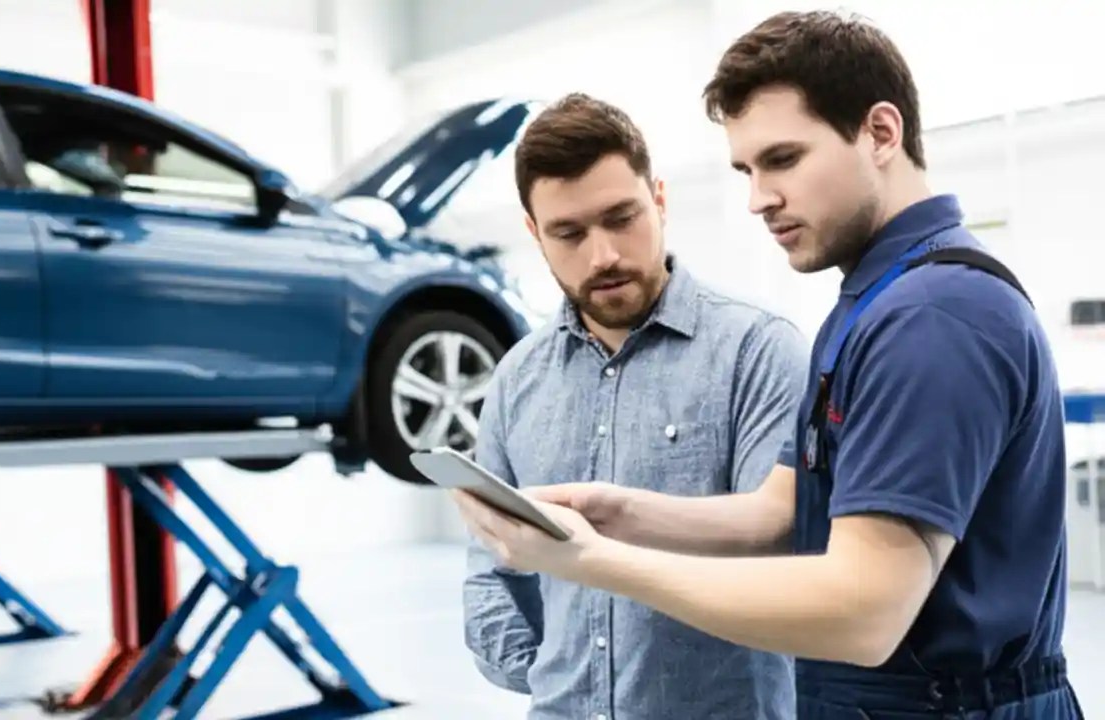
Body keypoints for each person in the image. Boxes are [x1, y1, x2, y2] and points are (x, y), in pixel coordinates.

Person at [451, 11, 1086, 720]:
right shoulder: (870, 305)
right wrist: (615, 511)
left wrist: (592, 563)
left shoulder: (931, 317)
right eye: (747, 170)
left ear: (881, 132)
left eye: (783, 160)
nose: (759, 199)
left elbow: (863, 614)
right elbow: (778, 513)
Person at [461, 92, 809, 719]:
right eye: (568, 233)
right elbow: (490, 571)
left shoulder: (757, 351)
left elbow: (779, 558)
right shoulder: (516, 379)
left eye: (622, 218)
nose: (603, 256)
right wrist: (552, 678)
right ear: (534, 234)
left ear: (660, 200)